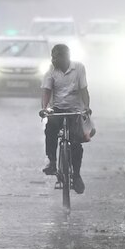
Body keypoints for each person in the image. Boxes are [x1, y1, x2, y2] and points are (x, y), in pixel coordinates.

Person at [40, 44, 91, 194]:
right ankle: (52, 161)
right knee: (50, 130)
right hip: (57, 109)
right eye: (52, 56)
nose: (53, 59)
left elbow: (84, 90)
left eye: (56, 56)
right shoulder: (50, 70)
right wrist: (45, 108)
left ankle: (76, 175)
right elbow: (46, 91)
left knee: (76, 144)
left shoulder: (79, 68)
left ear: (66, 56)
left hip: (75, 110)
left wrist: (86, 107)